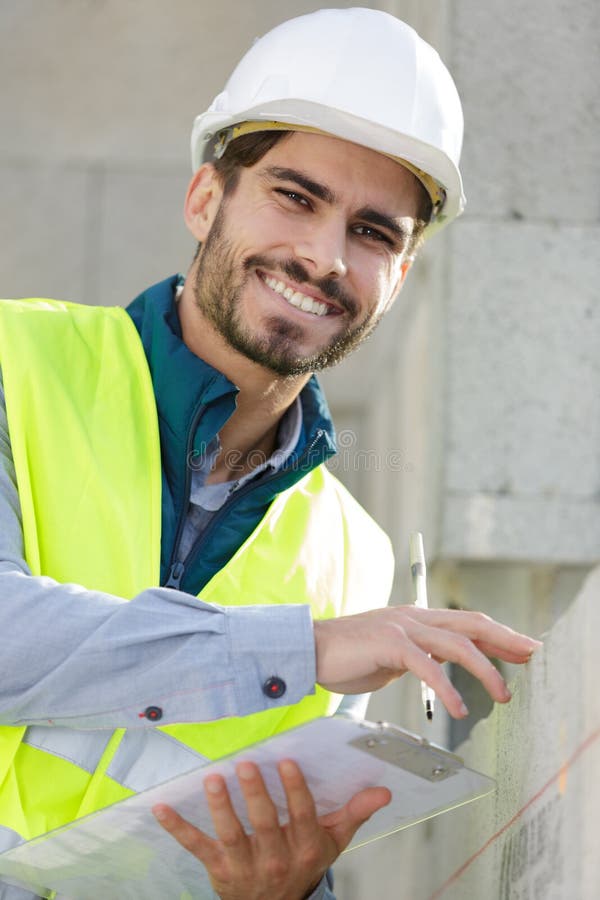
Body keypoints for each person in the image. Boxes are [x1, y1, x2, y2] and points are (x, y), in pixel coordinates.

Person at [0, 8, 541, 900]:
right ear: (205, 199)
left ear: (399, 279)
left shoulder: (354, 561)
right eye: (295, 197)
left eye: (374, 233)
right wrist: (300, 648)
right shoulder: (14, 360)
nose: (324, 256)